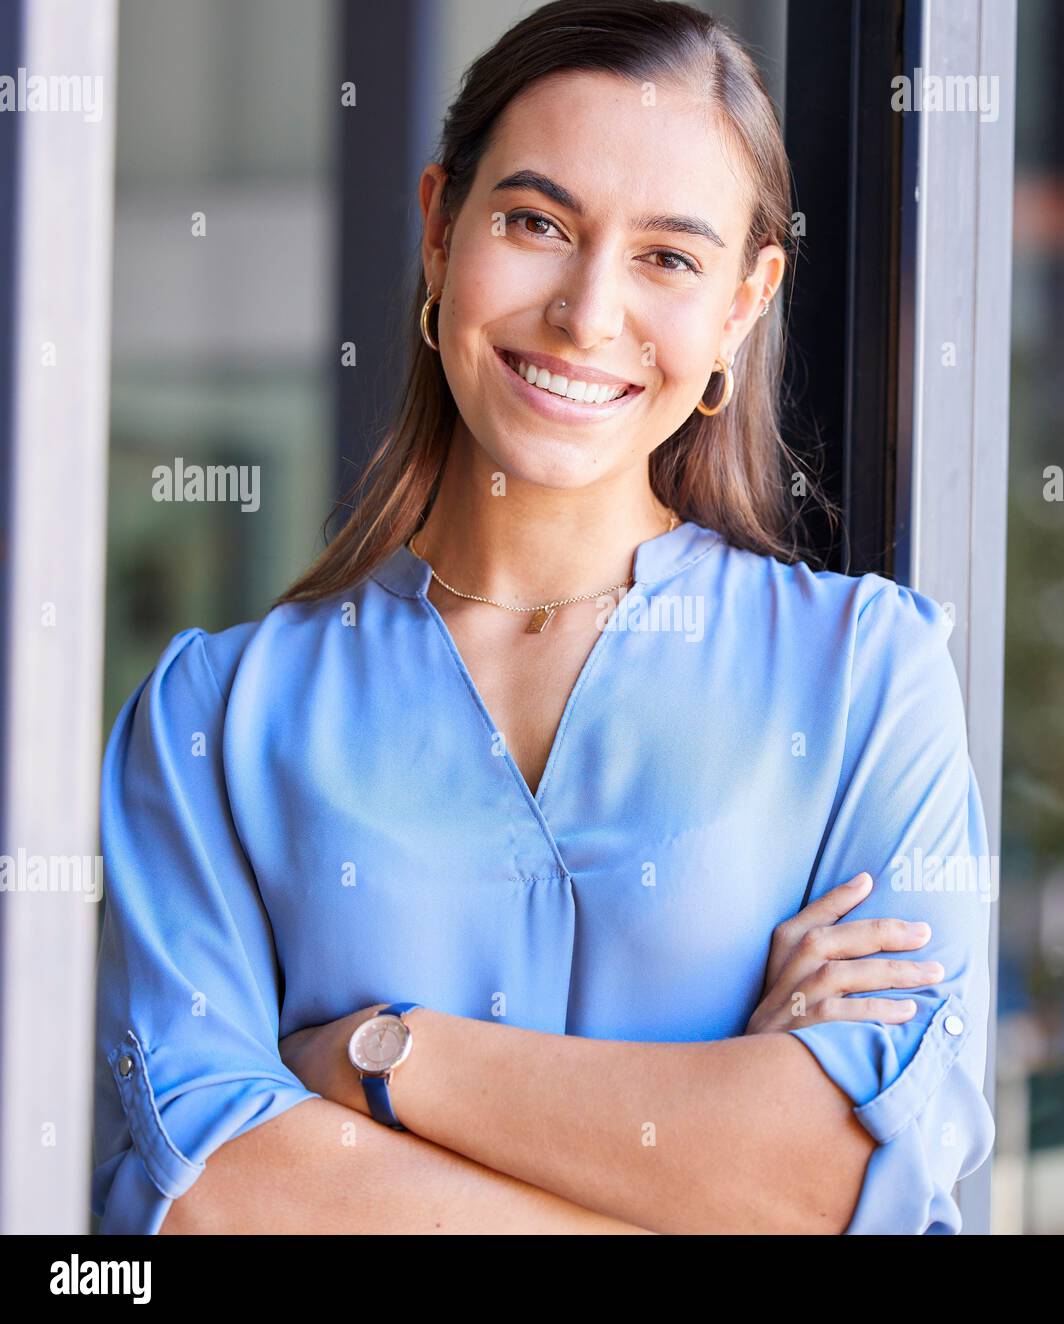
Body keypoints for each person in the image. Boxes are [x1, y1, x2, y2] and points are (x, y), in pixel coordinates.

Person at [92, 0, 994, 1235]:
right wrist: (717, 1161)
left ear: (741, 305)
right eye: (535, 222)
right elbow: (217, 1199)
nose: (585, 312)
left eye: (668, 257)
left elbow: (859, 1172)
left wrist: (380, 1060)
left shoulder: (864, 680)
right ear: (437, 230)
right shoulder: (214, 718)